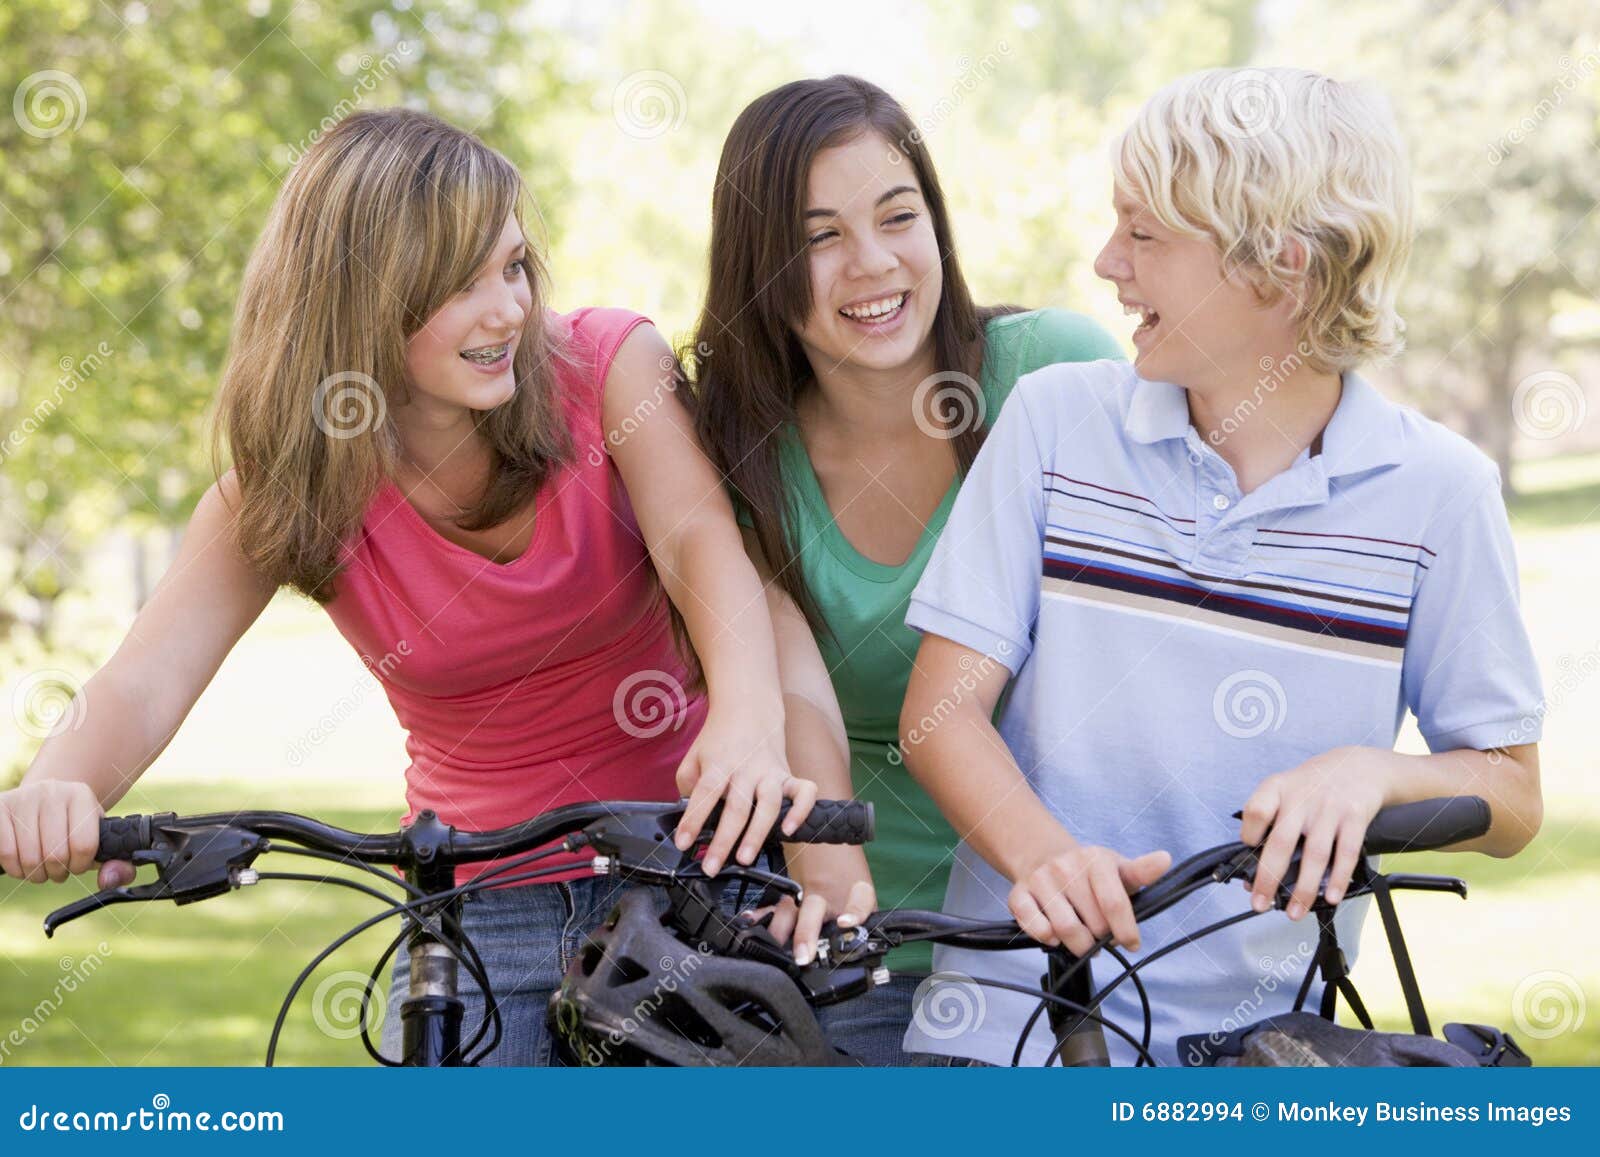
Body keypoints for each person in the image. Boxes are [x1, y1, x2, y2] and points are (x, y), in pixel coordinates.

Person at [0, 108, 827, 1067]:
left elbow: (701, 550)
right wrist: (55, 787)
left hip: (691, 869)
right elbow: (142, 680)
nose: (508, 309)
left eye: (513, 266)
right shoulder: (284, 487)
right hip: (475, 908)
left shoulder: (606, 368)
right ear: (358, 298)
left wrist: (749, 721)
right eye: (459, 282)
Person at [899, 67, 1545, 1066]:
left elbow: (1510, 797)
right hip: (1006, 1026)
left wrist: (1372, 772)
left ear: (1275, 268)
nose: (1107, 261)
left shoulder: (1439, 493)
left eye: (1145, 234)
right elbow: (939, 714)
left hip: (1258, 1051)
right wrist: (1046, 858)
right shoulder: (1055, 422)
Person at [688, 75, 1123, 1064]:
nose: (871, 263)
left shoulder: (1052, 375)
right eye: (818, 237)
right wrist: (827, 884)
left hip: (1083, 921)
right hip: (858, 946)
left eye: (898, 216)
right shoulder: (736, 446)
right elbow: (790, 689)